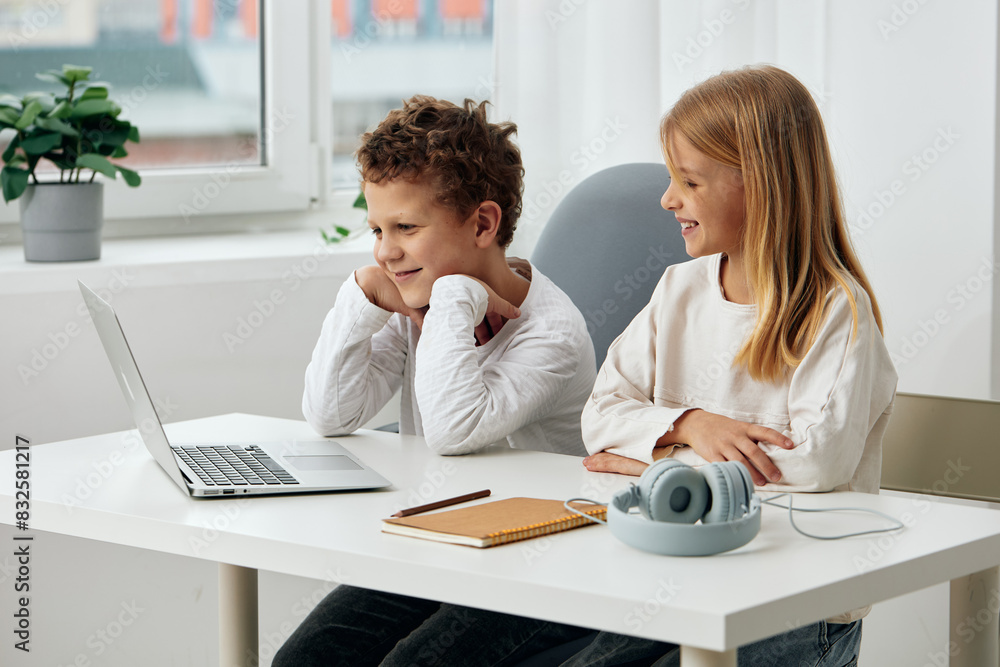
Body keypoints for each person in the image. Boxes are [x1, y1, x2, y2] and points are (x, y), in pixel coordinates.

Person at [564, 65, 897, 666]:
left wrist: (654, 462)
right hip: (683, 580)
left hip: (799, 603)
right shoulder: (677, 289)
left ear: (761, 185)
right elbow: (600, 416)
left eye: (688, 181)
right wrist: (692, 424)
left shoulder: (835, 310)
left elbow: (817, 464)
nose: (667, 199)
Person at [276, 95, 598, 666]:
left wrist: (457, 295)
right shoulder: (411, 303)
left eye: (404, 227)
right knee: (305, 659)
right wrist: (360, 294)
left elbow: (453, 429)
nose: (386, 251)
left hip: (541, 564)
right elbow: (331, 413)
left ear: (483, 223)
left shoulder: (550, 334)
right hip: (442, 538)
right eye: (376, 229)